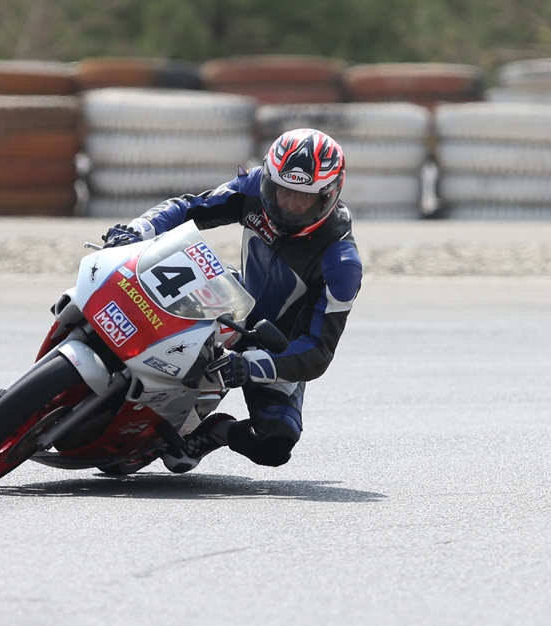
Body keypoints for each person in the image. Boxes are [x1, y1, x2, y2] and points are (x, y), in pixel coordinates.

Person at [101, 128, 362, 473]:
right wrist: (140, 229)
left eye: (304, 198)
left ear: (330, 195)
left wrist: (251, 365)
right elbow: (190, 207)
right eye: (282, 191)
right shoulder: (255, 189)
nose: (288, 205)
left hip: (276, 346)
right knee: (140, 284)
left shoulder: (340, 263)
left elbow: (317, 352)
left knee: (276, 442)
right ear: (268, 179)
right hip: (231, 301)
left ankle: (216, 430)